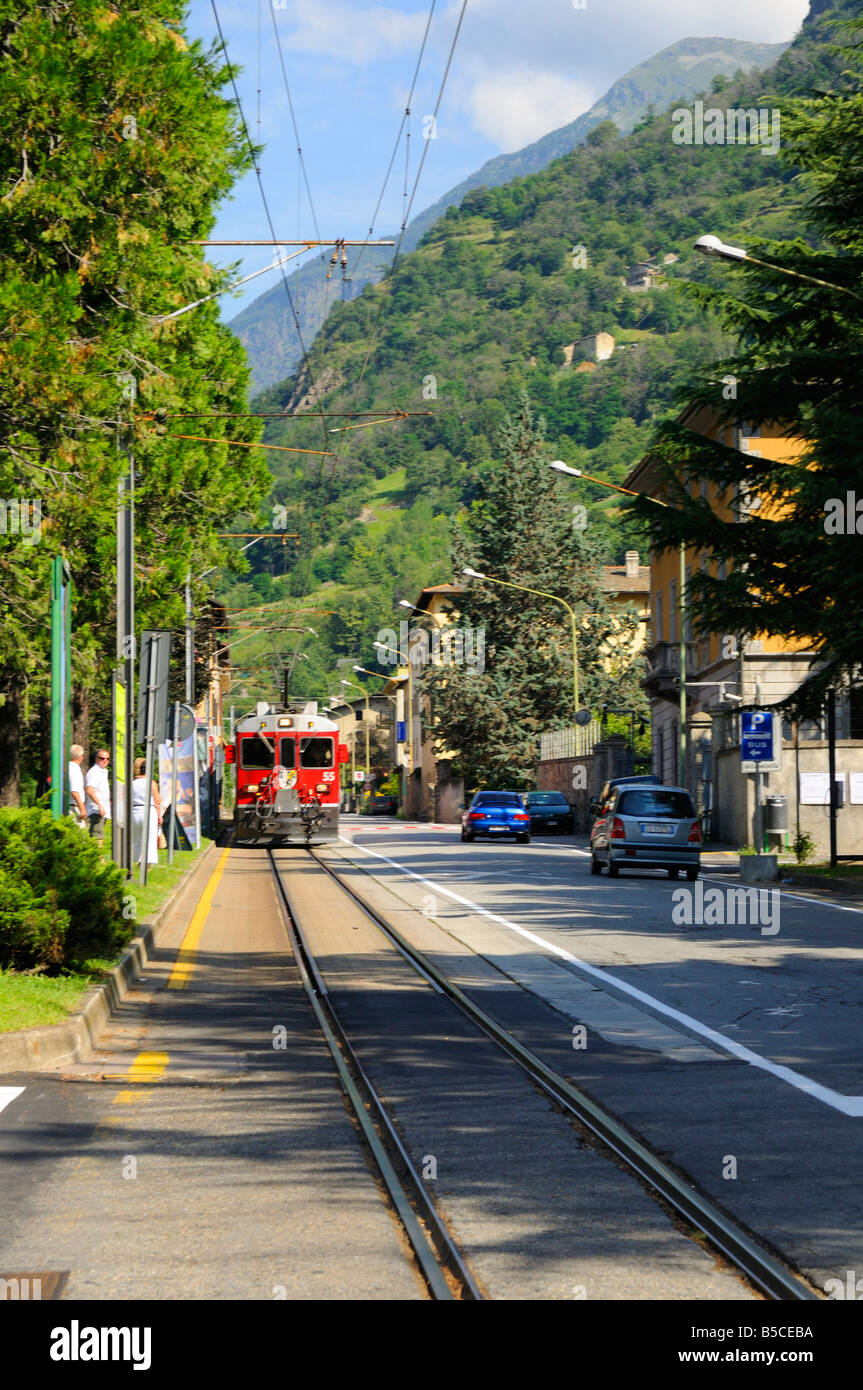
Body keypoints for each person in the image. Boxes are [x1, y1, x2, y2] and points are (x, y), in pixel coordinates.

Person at [132, 756, 162, 866]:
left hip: (135, 811)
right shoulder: (151, 783)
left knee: (137, 837)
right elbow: (157, 800)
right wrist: (159, 815)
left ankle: (136, 858)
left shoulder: (133, 783)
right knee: (150, 838)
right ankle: (146, 864)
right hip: (149, 810)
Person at [85, 748, 111, 841]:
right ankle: (97, 855)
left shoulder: (103, 771)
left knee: (100, 837)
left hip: (102, 810)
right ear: (96, 759)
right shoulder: (94, 772)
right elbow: (89, 789)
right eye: (102, 758)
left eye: (107, 758)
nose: (105, 761)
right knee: (97, 838)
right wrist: (99, 805)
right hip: (95, 810)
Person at [68, 744, 87, 826]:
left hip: (71, 806)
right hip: (74, 808)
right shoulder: (74, 770)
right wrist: (82, 808)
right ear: (80, 756)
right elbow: (74, 791)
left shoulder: (68, 767)